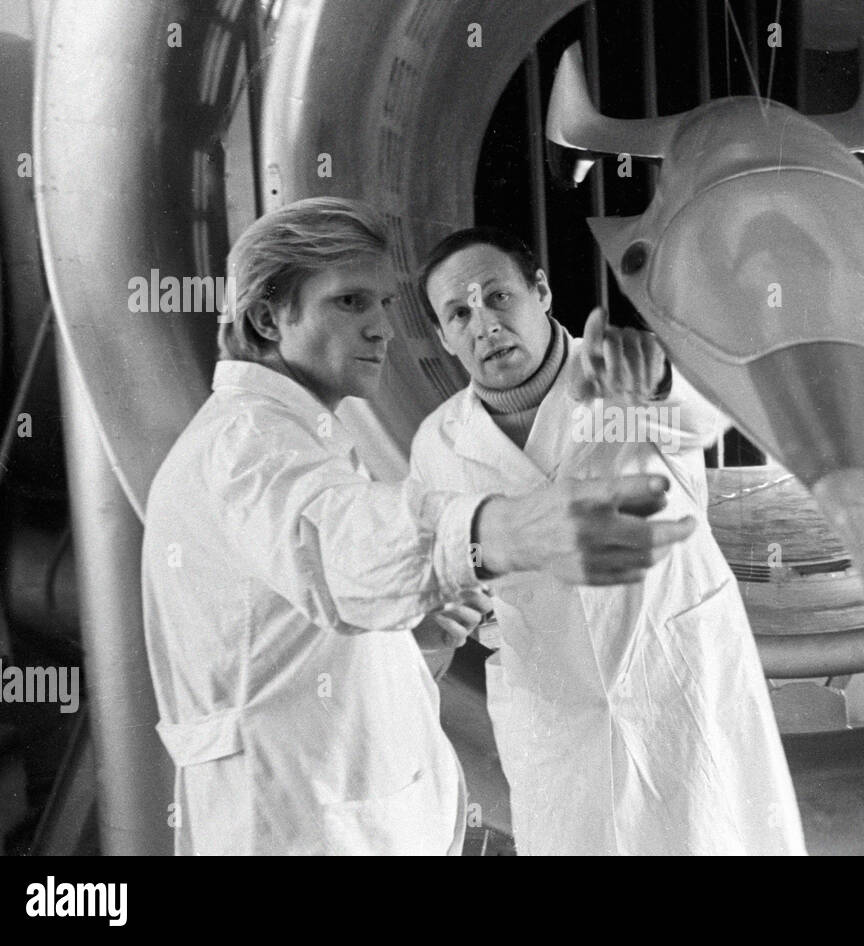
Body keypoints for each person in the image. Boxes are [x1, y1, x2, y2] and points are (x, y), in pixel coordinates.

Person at [141, 198, 694, 855]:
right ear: (267, 317)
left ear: (540, 293)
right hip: (301, 827)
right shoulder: (244, 445)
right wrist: (503, 531)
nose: (382, 329)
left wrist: (416, 637)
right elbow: (333, 547)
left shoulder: (298, 437)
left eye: (382, 304)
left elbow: (300, 635)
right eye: (350, 303)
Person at [412, 225, 807, 855]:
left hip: (675, 680)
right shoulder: (437, 445)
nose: (483, 323)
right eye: (459, 313)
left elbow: (707, 416)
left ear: (540, 291)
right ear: (442, 335)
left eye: (497, 297)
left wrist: (653, 382)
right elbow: (442, 571)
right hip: (555, 714)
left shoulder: (620, 374)